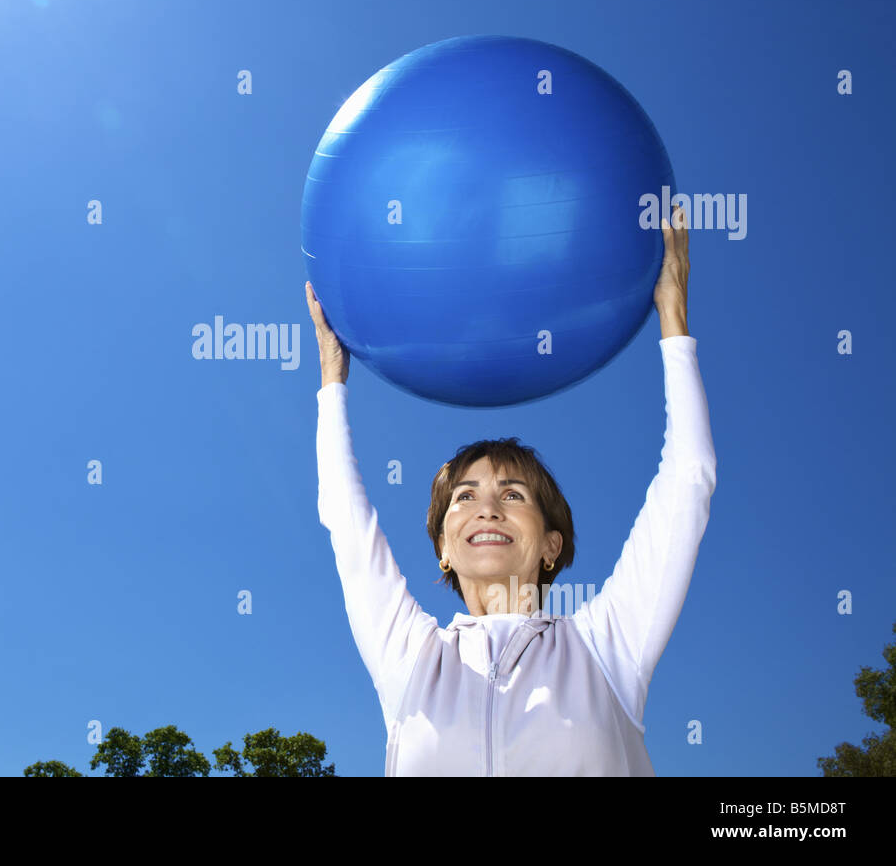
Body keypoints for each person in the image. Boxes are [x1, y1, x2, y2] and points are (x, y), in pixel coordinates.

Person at [306, 205, 716, 776]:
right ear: (444, 548)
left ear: (552, 545)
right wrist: (332, 379)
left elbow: (688, 479)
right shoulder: (410, 658)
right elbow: (345, 522)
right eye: (465, 497)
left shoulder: (606, 647)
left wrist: (674, 322)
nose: (488, 507)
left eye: (514, 494)